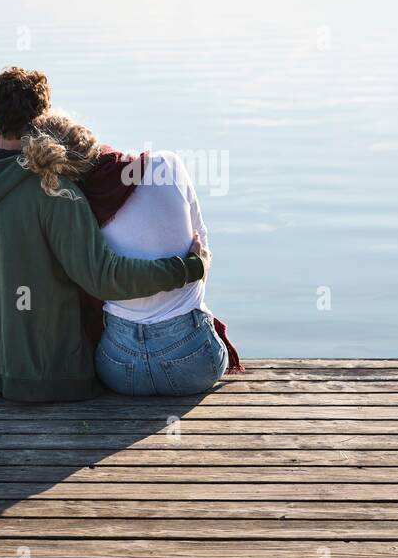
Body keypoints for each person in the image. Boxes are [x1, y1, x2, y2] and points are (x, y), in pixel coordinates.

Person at [0, 69, 211, 403]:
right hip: (47, 378)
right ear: (45, 120)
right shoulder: (54, 191)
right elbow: (104, 279)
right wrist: (190, 267)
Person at [20, 111, 241, 396]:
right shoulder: (166, 164)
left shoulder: (76, 209)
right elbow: (203, 250)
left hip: (119, 367)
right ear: (86, 133)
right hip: (194, 362)